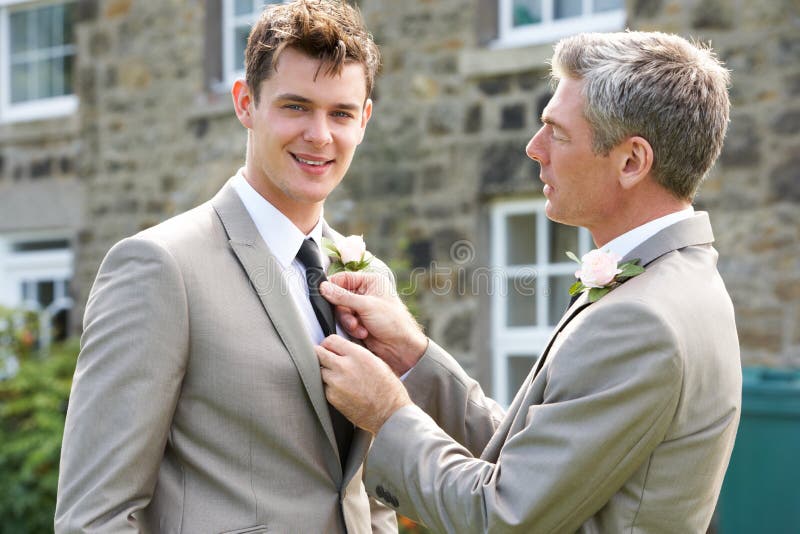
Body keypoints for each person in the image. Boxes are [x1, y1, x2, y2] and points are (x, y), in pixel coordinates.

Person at [315, 31, 741, 533]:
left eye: (557, 133)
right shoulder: (679, 279)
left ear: (631, 162)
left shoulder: (641, 318)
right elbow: (543, 466)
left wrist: (387, 414)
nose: (533, 148)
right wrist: (414, 359)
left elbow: (503, 515)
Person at [55, 1, 397, 532]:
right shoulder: (160, 267)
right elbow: (94, 516)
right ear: (245, 103)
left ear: (365, 119)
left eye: (340, 113)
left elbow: (364, 492)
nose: (320, 135)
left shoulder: (365, 275)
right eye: (295, 106)